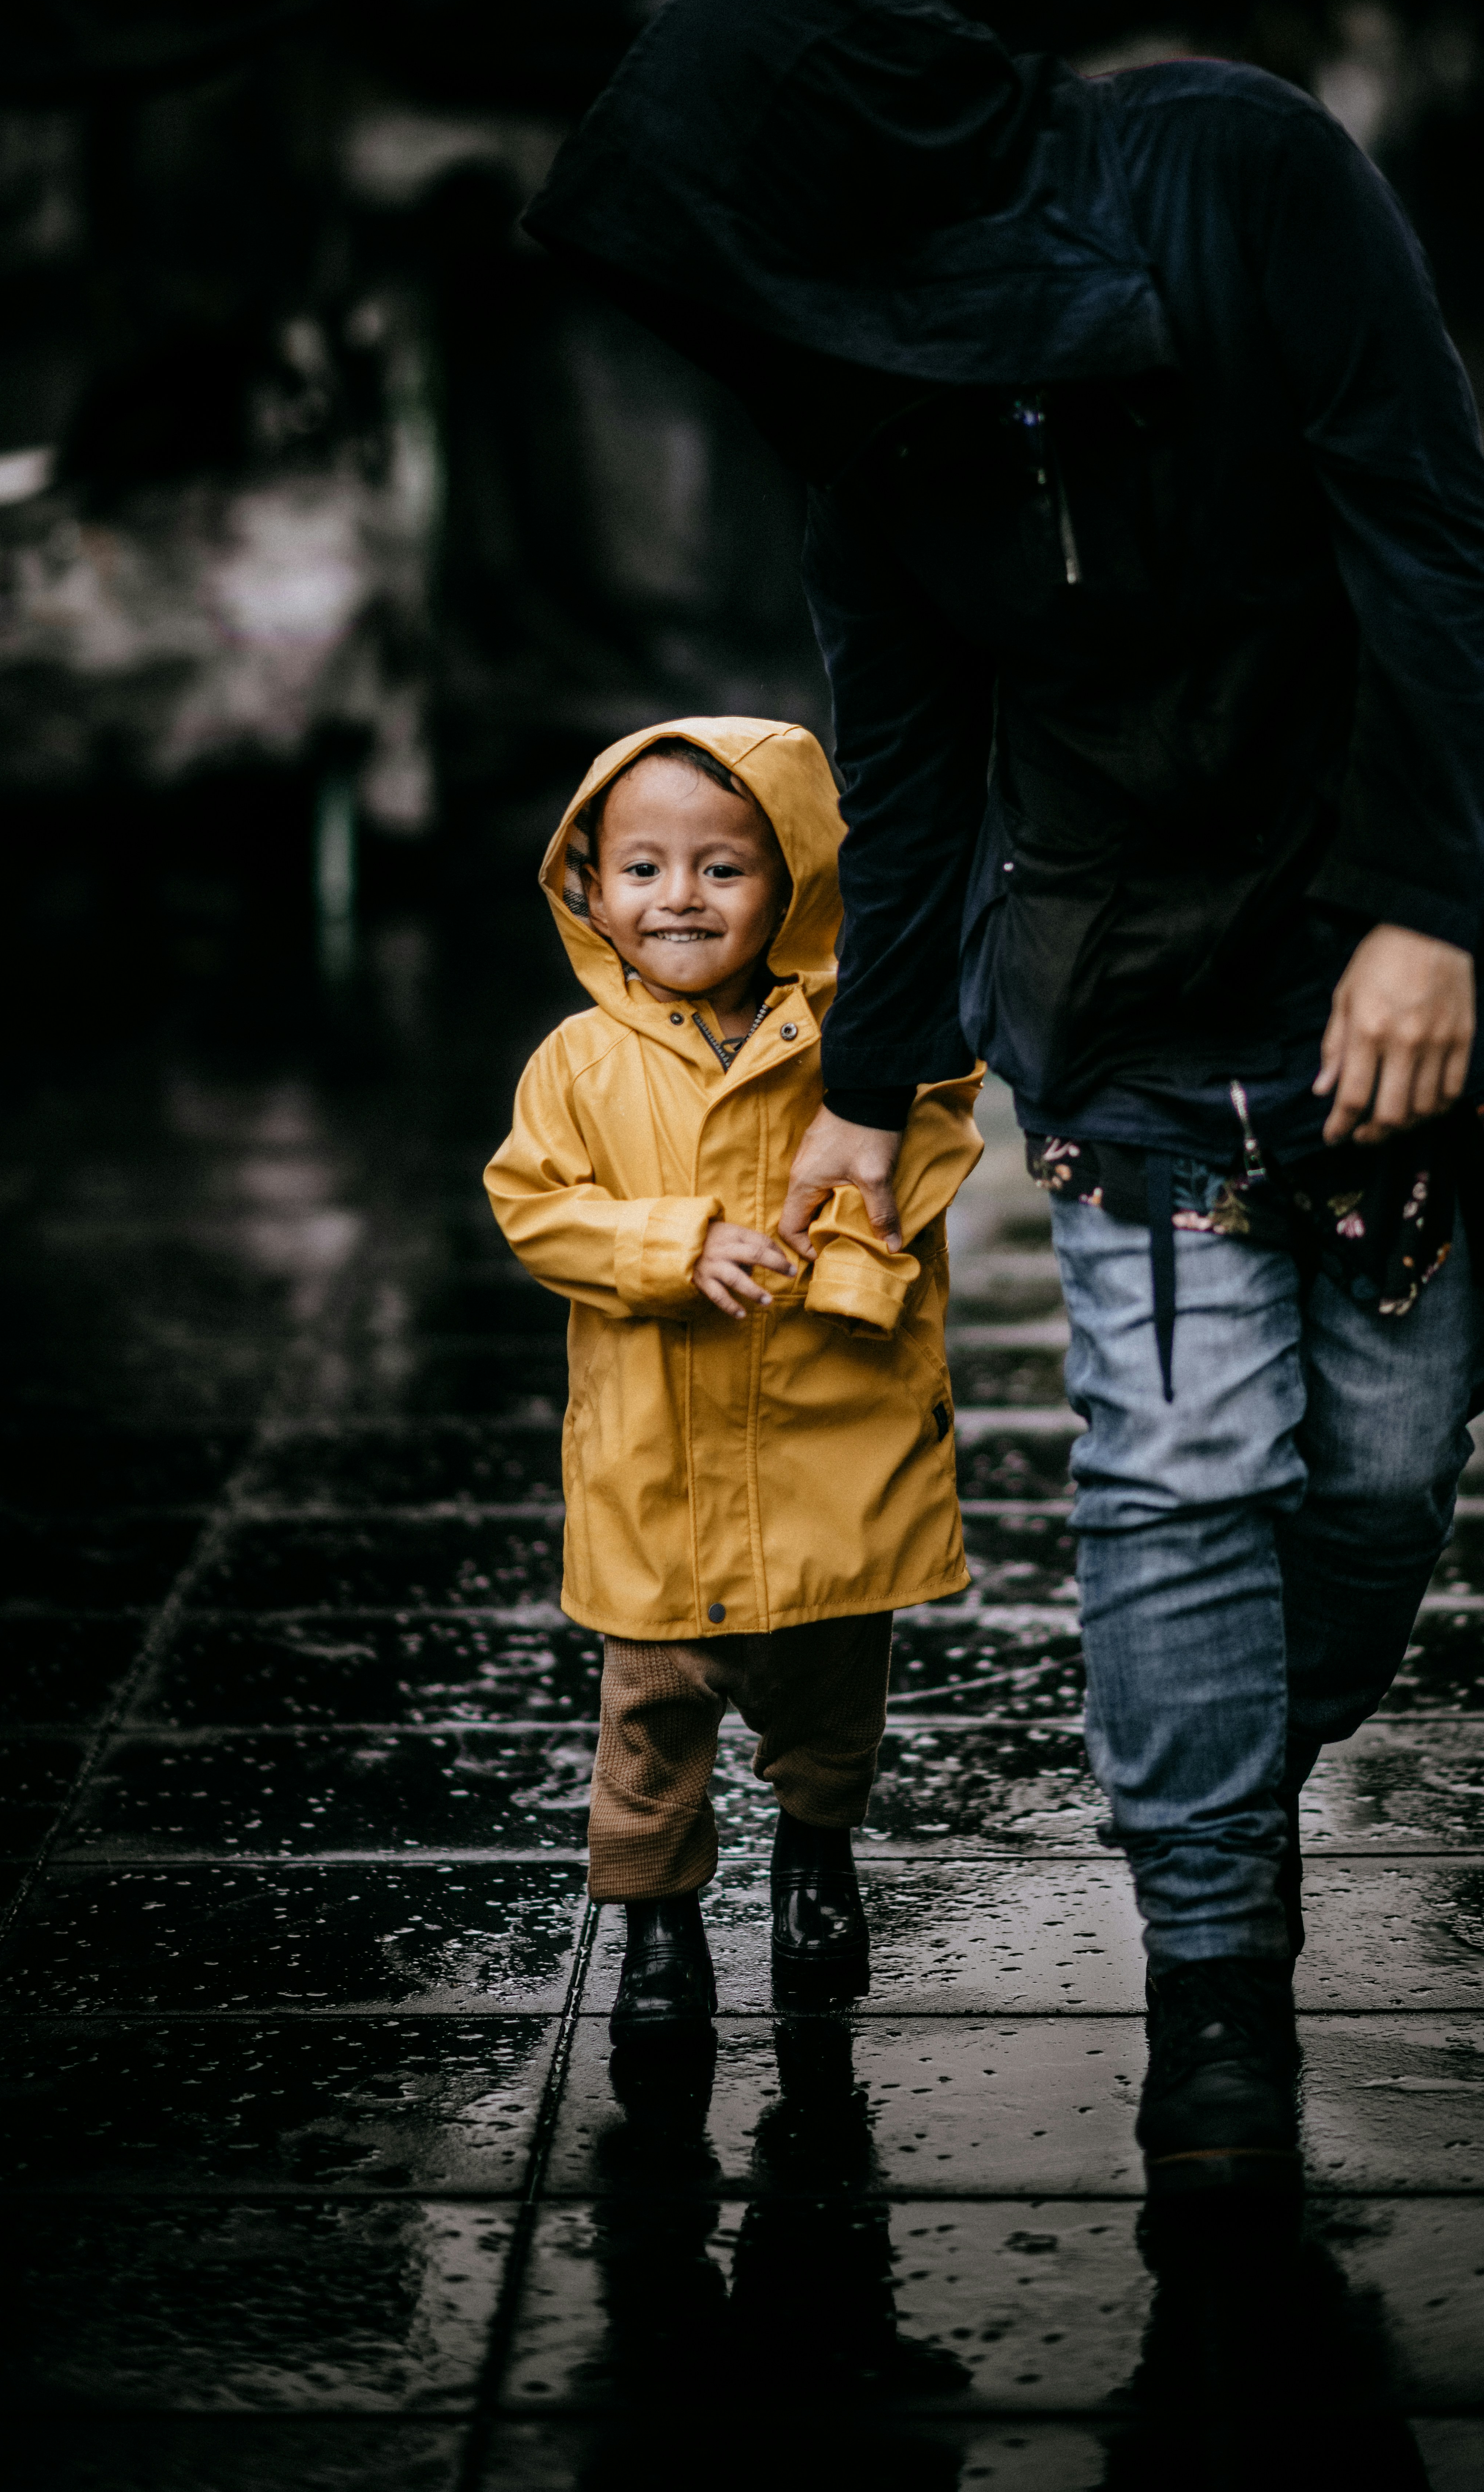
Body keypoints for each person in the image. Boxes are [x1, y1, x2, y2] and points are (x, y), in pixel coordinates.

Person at [521, 0, 1484, 2189]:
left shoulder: (1239, 170)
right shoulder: (868, 402)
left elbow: (1438, 554)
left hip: (1413, 931)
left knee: (1387, 1475)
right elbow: (918, 753)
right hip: (1132, 985)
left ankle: (1216, 1762)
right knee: (1177, 1468)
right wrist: (870, 1078)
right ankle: (1213, 1985)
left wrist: (1428, 911)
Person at [485, 716, 982, 2035]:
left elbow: (930, 1142)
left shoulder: (857, 1042)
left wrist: (847, 1250)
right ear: (589, 886)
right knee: (650, 1716)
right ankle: (656, 1921)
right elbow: (534, 1207)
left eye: (723, 867)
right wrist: (670, 1243)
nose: (680, 900)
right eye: (642, 869)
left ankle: (817, 1856)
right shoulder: (578, 1064)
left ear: (799, 880)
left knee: (832, 1685)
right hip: (661, 1454)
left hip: (832, 1428)